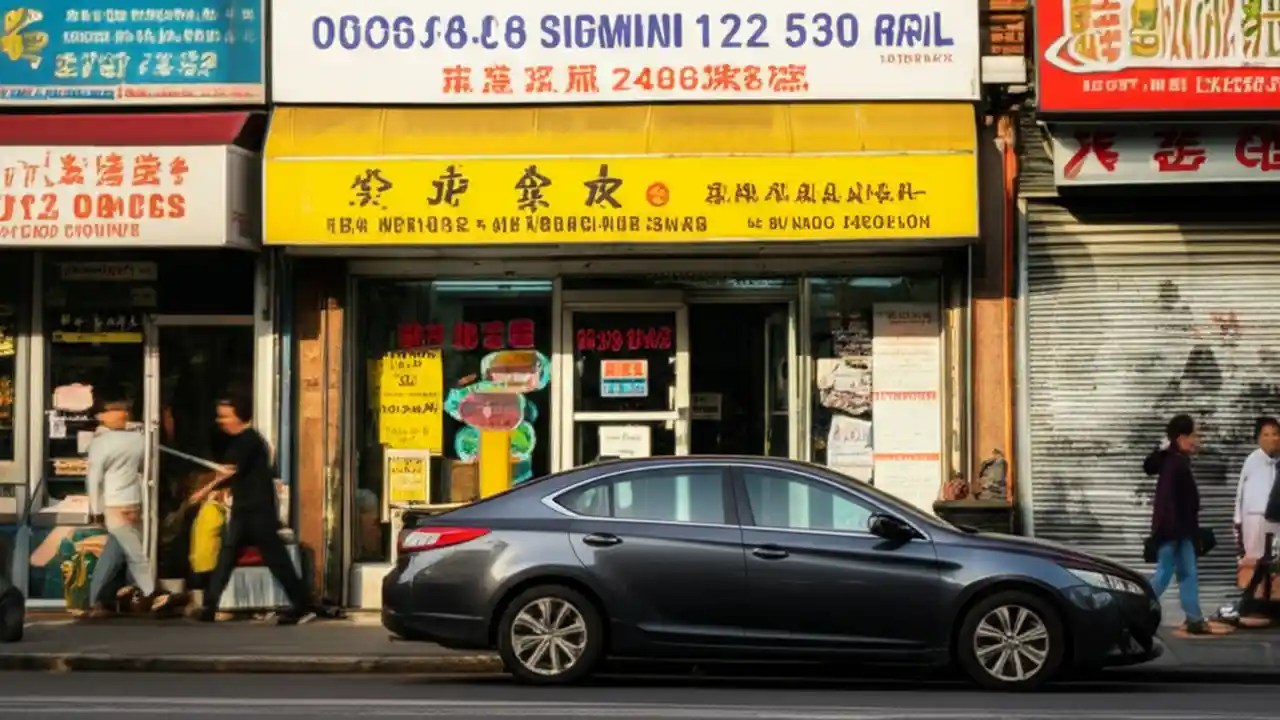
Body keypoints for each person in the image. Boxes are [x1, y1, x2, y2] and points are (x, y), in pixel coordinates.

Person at [199, 396, 313, 624]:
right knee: (228, 555)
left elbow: (229, 471)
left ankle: (302, 605)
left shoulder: (248, 440)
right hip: (245, 508)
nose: (221, 421)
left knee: (274, 558)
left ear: (240, 416)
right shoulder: (244, 440)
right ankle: (209, 607)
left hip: (258, 509)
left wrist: (203, 491)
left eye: (225, 416)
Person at [85, 399, 154, 610]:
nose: (122, 413)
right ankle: (147, 595)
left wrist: (95, 511)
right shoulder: (139, 439)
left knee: (122, 552)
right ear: (101, 416)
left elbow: (94, 479)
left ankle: (101, 600)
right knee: (131, 553)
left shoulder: (101, 442)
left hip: (116, 504)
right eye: (115, 409)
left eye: (124, 409)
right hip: (132, 503)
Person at [1144, 413, 1209, 635]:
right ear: (1182, 438)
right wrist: (1167, 532)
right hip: (1172, 531)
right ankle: (1136, 610)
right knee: (1164, 573)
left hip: (1181, 531)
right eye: (1194, 435)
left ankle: (1195, 619)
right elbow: (1167, 501)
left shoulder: (1176, 460)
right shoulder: (1173, 463)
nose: (1197, 440)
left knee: (1187, 572)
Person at [1234, 417, 1280, 615]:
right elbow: (1240, 496)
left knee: (1275, 566)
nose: (1272, 438)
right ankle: (1253, 605)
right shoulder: (1253, 461)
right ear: (1258, 438)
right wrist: (1238, 525)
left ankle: (1274, 607)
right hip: (1255, 521)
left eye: (1275, 434)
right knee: (1254, 565)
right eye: (1266, 434)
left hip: (1276, 521)